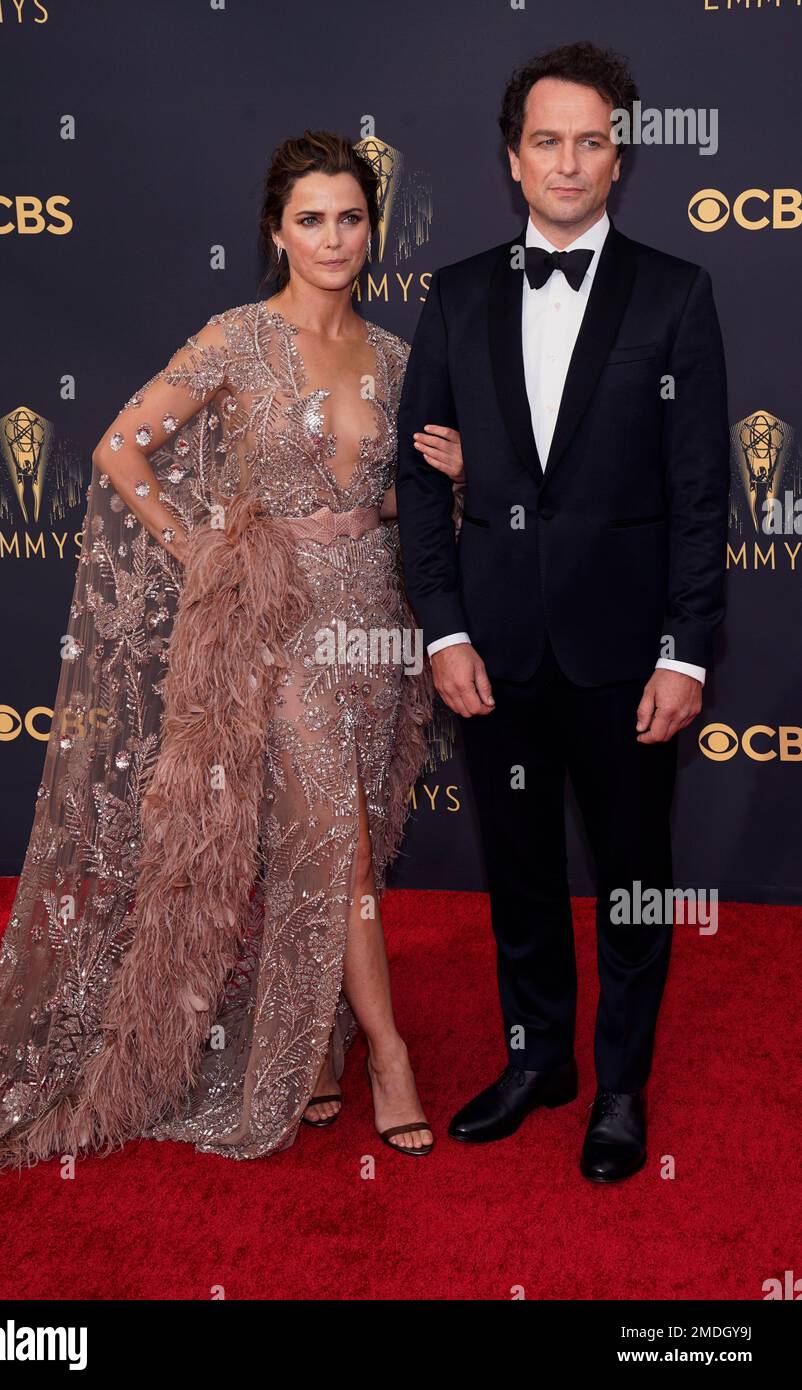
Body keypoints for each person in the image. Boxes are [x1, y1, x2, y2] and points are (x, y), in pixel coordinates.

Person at [0, 131, 465, 1181]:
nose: (332, 237)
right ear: (275, 231)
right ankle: (389, 1057)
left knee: (331, 834)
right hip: (276, 626)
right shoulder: (236, 338)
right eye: (310, 218)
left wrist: (445, 477)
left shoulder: (401, 356)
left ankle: (313, 1042)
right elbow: (118, 446)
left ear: (373, 229)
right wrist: (207, 555)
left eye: (350, 217)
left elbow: (383, 502)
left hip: (375, 621)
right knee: (339, 843)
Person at [396, 41, 729, 1182]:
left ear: (618, 158)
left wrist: (685, 654)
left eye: (591, 140)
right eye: (547, 139)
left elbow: (699, 495)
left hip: (625, 649)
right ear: (511, 157)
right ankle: (537, 1059)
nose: (568, 161)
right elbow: (412, 478)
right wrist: (441, 628)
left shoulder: (675, 293)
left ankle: (621, 1087)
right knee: (521, 871)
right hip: (490, 647)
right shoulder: (454, 294)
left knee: (631, 879)